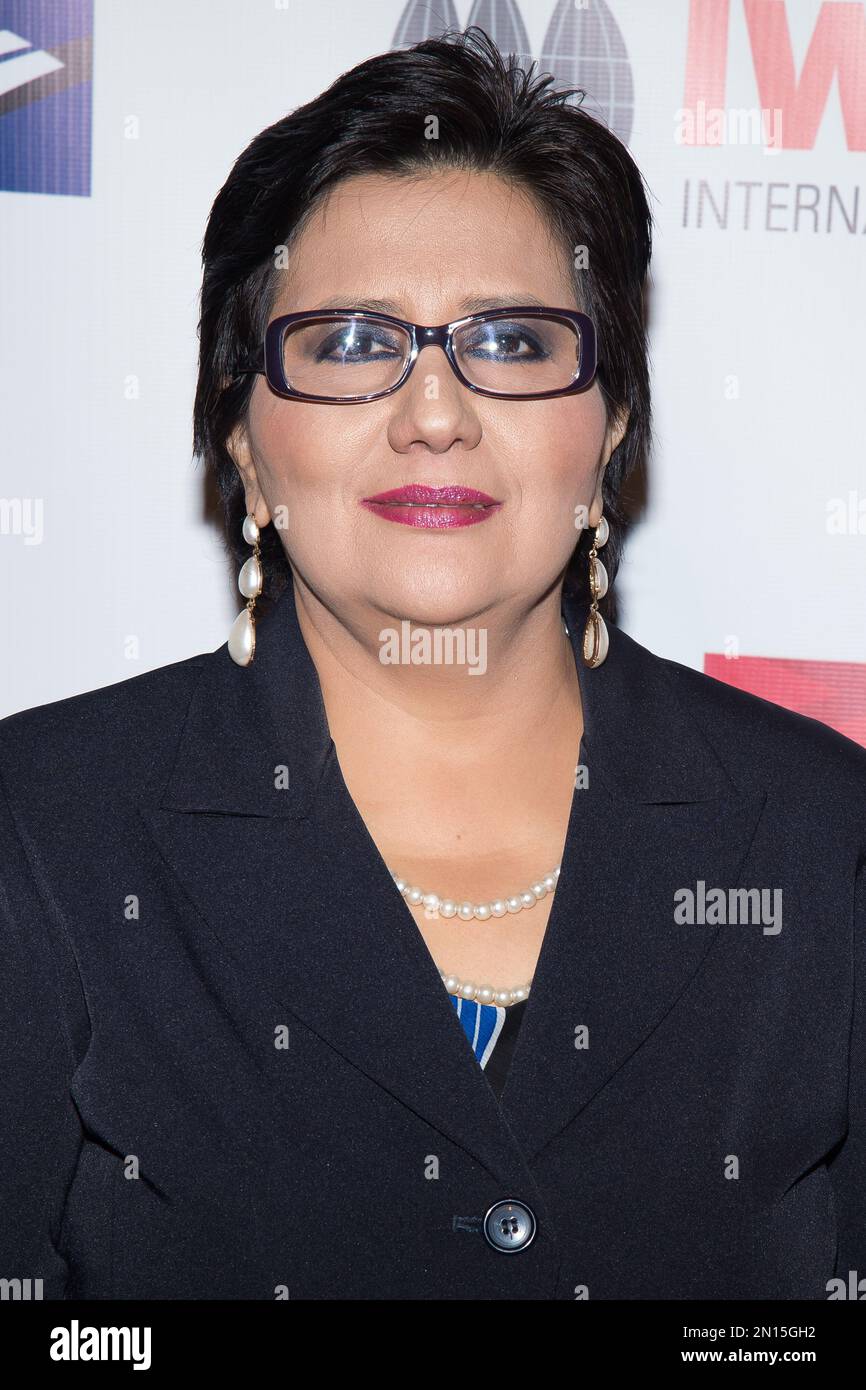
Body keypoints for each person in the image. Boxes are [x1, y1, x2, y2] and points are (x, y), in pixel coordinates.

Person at [2, 26, 865, 1301]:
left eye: (511, 342)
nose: (434, 411)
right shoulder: (44, 829)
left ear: (611, 423)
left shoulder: (818, 839)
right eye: (350, 343)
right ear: (240, 438)